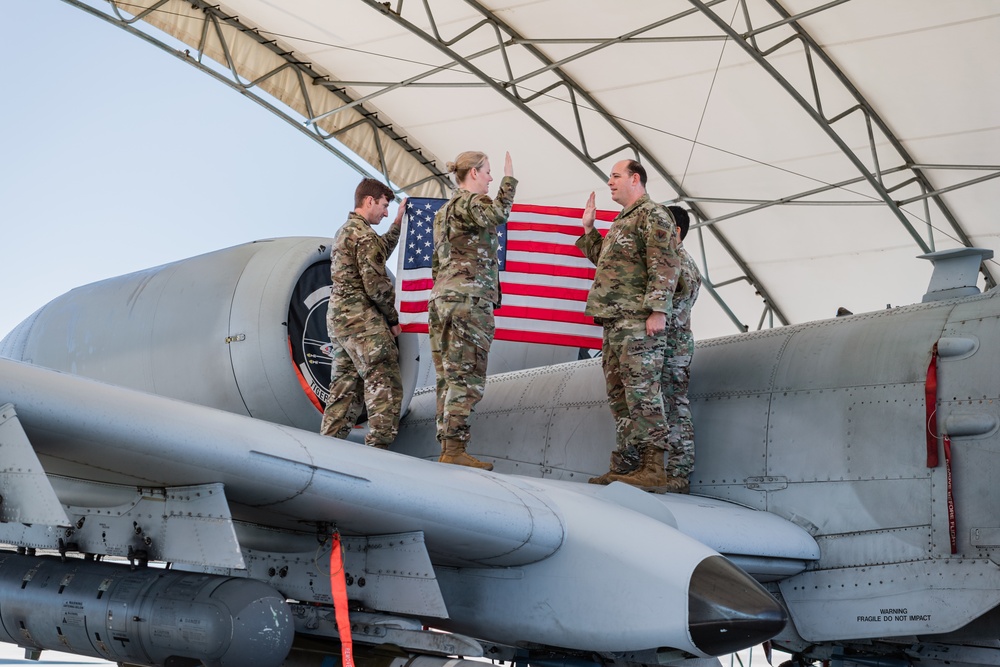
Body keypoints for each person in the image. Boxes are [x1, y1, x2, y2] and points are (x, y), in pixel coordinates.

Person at [577, 159, 683, 493]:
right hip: (615, 322)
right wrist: (589, 230)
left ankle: (653, 467)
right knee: (620, 396)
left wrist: (658, 310)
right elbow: (611, 265)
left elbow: (665, 263)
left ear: (635, 179)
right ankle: (626, 463)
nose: (609, 182)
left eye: (615, 176)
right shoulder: (624, 221)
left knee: (642, 392)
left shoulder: (652, 214)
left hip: (638, 321)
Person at [429, 151, 517, 469]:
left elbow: (437, 263)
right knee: (467, 376)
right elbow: (499, 213)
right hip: (468, 302)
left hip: (443, 301)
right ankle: (454, 449)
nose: (491, 179)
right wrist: (509, 179)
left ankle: (448, 447)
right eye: (489, 173)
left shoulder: (443, 212)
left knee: (448, 378)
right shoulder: (470, 202)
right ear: (475, 173)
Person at [611, 206, 701, 493]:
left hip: (671, 348)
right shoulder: (674, 260)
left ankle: (677, 472)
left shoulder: (679, 263)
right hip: (664, 346)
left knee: (673, 407)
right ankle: (644, 466)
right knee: (657, 405)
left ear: (675, 232)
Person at [320, 178, 406, 449]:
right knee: (385, 380)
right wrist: (393, 320)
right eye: (383, 205)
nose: (386, 211)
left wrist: (396, 227)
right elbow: (377, 285)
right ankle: (377, 453)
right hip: (363, 323)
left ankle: (327, 449)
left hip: (340, 323)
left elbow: (377, 254)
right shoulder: (365, 235)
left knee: (343, 390)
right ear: (369, 201)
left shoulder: (346, 231)